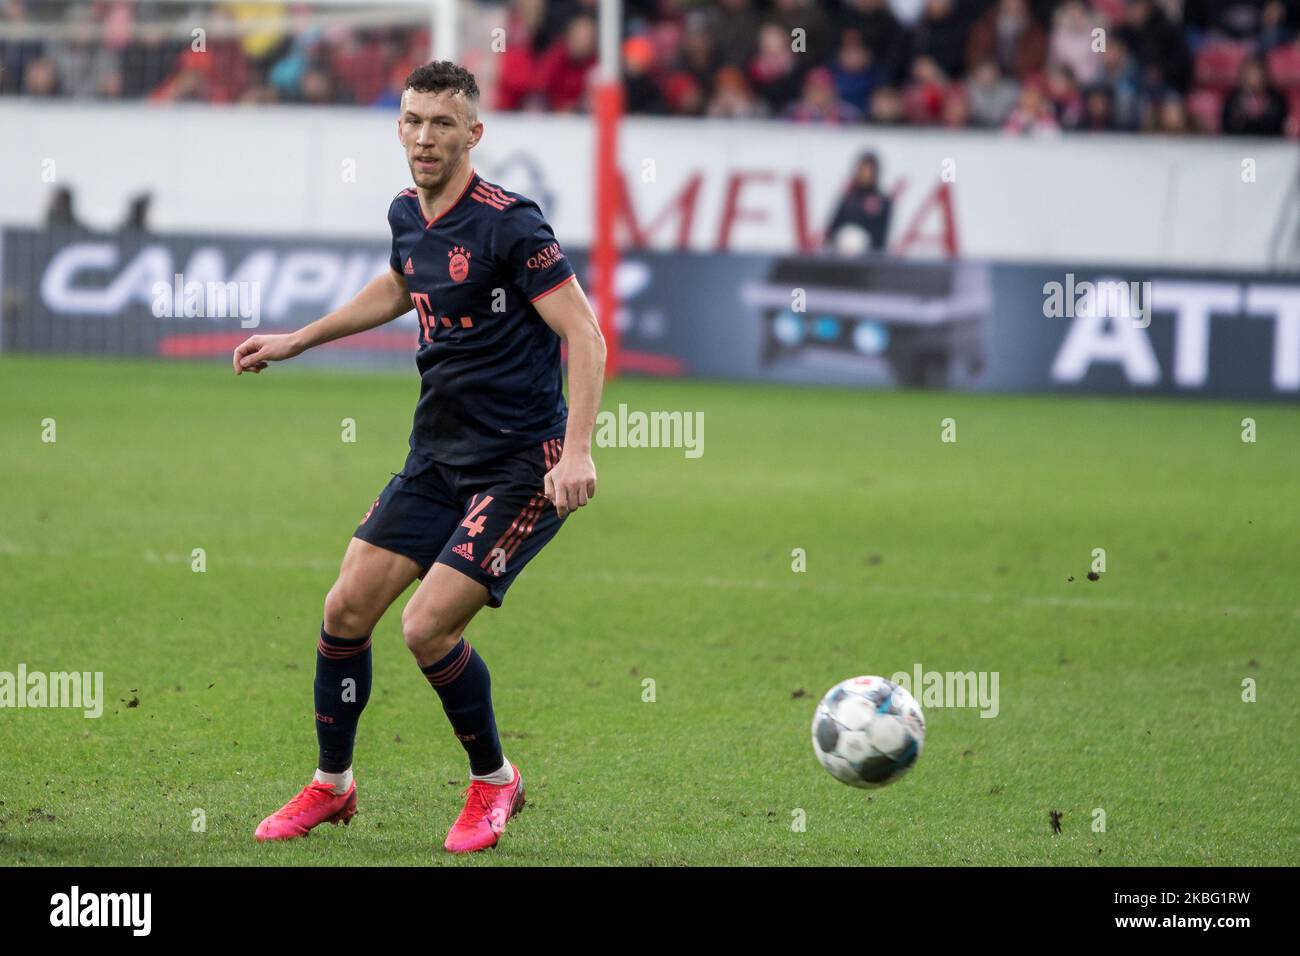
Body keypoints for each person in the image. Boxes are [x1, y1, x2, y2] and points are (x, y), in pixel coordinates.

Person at [232, 61, 605, 854]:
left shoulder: (513, 225)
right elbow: (404, 283)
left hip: (520, 466)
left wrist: (576, 454)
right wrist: (300, 338)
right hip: (436, 455)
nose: (425, 137)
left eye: (442, 123)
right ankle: (332, 787)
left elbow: (586, 334)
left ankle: (495, 783)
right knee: (344, 610)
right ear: (398, 127)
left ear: (474, 133)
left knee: (426, 628)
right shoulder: (407, 211)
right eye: (412, 120)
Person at [826, 151, 892, 252]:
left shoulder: (883, 202)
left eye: (869, 171)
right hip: (842, 256)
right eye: (863, 170)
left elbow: (881, 238)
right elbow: (832, 230)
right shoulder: (848, 199)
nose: (865, 175)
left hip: (868, 259)